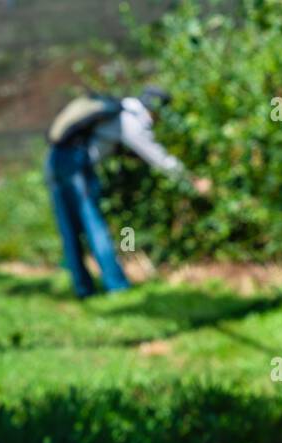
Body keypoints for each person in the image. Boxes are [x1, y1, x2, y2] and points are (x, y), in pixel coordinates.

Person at [44, 86, 211, 299]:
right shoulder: (131, 120)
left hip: (54, 162)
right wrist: (193, 181)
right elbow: (159, 159)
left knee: (69, 230)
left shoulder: (116, 109)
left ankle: (83, 289)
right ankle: (117, 286)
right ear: (156, 110)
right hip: (76, 168)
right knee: (94, 226)